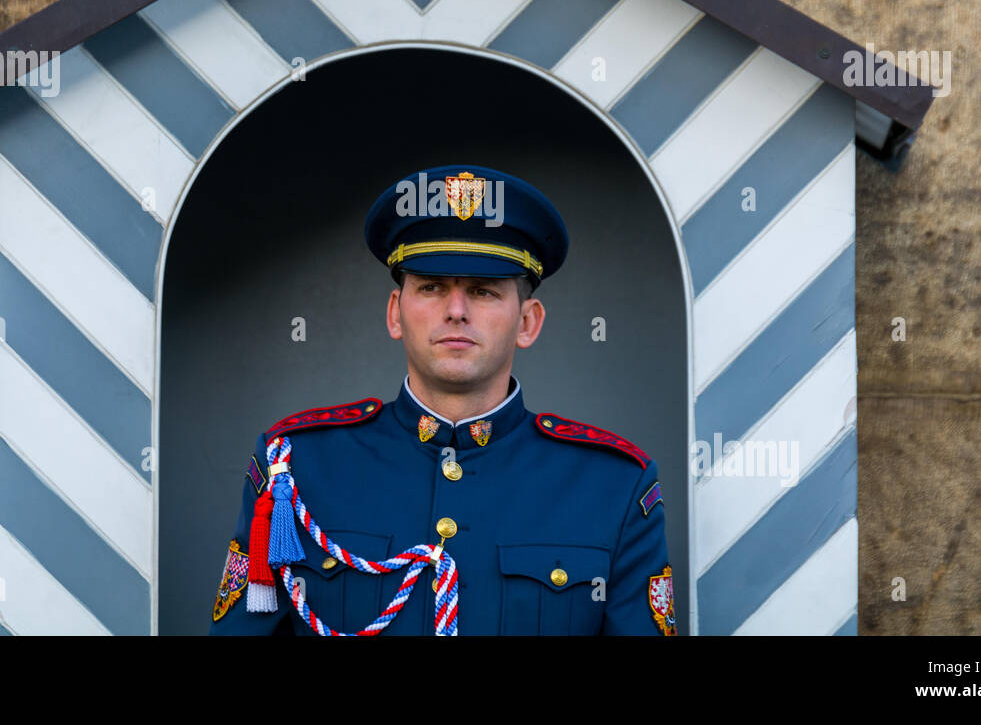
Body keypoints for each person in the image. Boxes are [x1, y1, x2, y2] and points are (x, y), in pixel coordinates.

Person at [208, 164, 677, 635]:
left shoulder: (612, 487)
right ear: (395, 313)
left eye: (483, 291)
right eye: (431, 288)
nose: (456, 311)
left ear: (528, 322)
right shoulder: (296, 467)